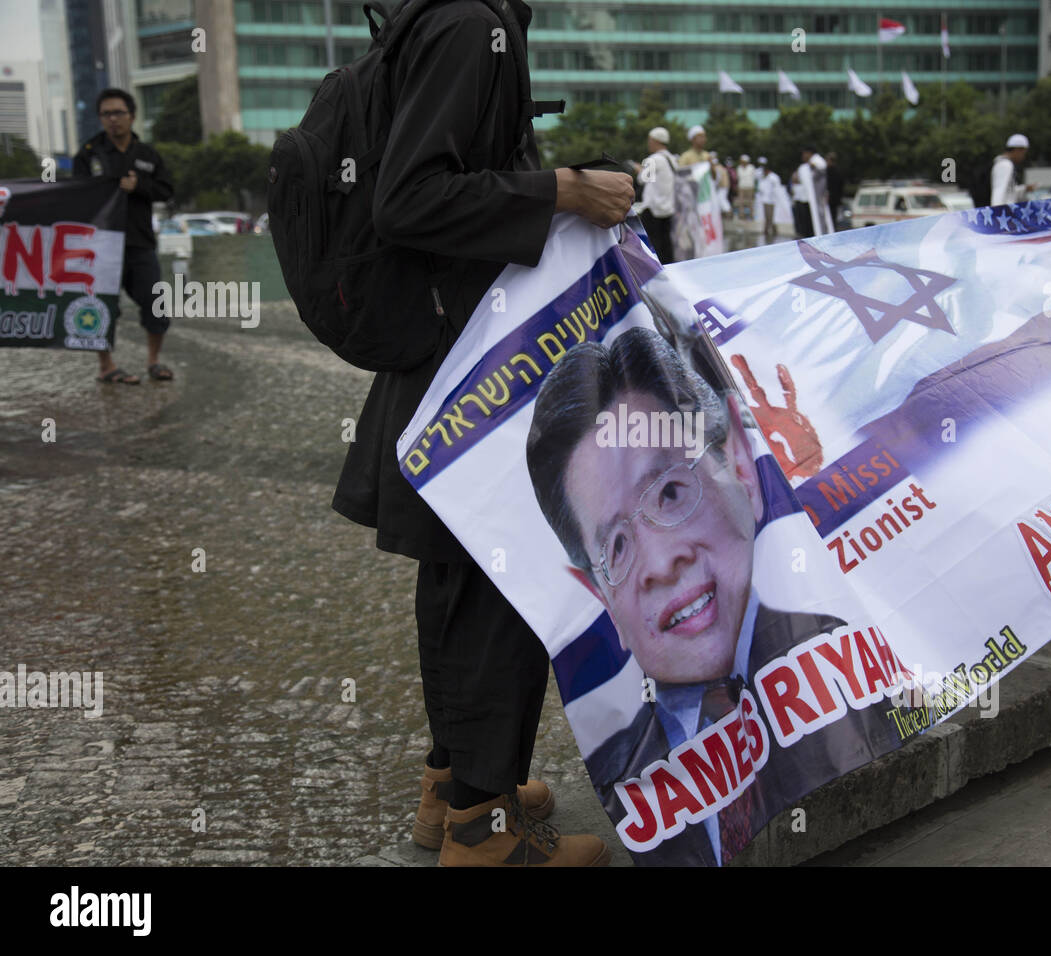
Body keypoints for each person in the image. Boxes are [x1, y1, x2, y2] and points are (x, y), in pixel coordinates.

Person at [331, 0, 633, 867]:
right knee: (499, 579)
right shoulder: (471, 22)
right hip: (472, 355)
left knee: (460, 570)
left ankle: (459, 788)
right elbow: (410, 197)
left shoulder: (458, 15)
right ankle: (483, 834)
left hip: (456, 346)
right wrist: (564, 190)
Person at [524, 327, 904, 865]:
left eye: (671, 491)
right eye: (617, 545)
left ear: (743, 468)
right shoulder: (622, 772)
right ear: (599, 595)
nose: (660, 564)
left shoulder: (878, 671)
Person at [74, 88, 175, 385]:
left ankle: (154, 362)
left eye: (118, 113)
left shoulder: (148, 155)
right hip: (100, 247)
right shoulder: (88, 153)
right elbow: (75, 195)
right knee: (103, 307)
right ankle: (106, 366)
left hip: (140, 243)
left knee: (155, 303)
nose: (112, 119)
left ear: (132, 116)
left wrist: (139, 186)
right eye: (106, 114)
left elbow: (166, 191)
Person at [634, 126, 677, 264]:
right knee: (666, 244)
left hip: (653, 208)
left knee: (653, 245)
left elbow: (642, 178)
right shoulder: (672, 158)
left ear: (655, 141)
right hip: (668, 207)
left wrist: (637, 169)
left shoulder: (654, 159)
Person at [990, 134, 1032, 206]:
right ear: (1017, 150)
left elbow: (1009, 193)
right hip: (1004, 214)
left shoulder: (1004, 164)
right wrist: (997, 213)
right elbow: (999, 192)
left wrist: (1024, 189)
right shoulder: (1005, 165)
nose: (1024, 157)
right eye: (1024, 153)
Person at [756, 157, 782, 242]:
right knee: (767, 217)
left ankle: (772, 232)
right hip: (765, 200)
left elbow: (777, 189)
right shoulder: (764, 177)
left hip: (772, 200)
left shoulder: (774, 177)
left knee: (771, 217)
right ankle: (767, 232)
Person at [825, 151, 845, 229]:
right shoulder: (839, 171)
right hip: (836, 199)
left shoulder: (827, 171)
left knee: (830, 220)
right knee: (835, 220)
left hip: (829, 199)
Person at [735, 154, 757, 223]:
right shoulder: (739, 168)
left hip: (750, 187)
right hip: (741, 187)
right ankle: (742, 216)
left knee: (750, 202)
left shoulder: (751, 167)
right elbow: (738, 178)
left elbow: (754, 178)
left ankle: (751, 216)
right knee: (741, 202)